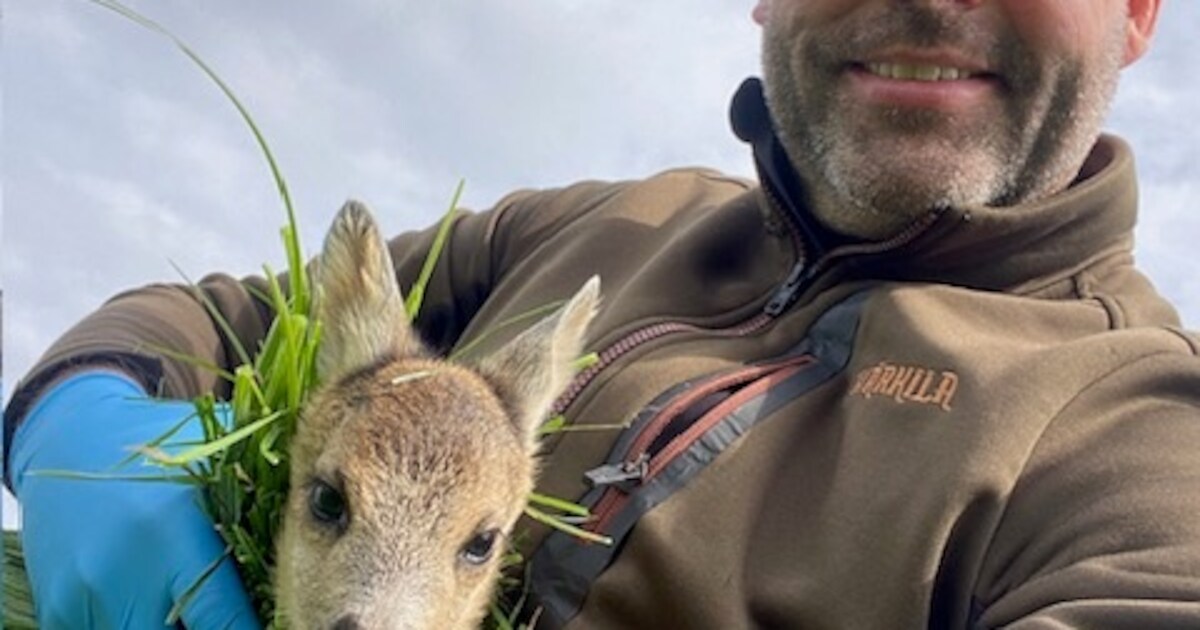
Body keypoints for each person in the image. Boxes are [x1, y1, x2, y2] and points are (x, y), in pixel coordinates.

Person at [6, 0, 1199, 627]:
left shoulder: (1141, 435)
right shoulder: (591, 225)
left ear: (1141, 8)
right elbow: (225, 318)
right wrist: (83, 415)